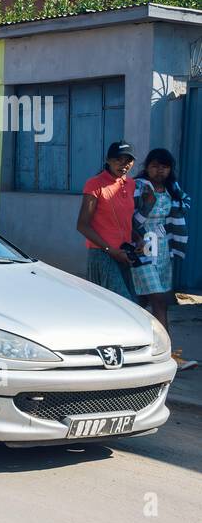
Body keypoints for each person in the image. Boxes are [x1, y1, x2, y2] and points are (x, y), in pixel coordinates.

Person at [131, 148, 194, 367]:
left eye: (164, 167)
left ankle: (149, 350)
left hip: (163, 246)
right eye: (155, 166)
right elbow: (127, 215)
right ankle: (164, 354)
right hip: (142, 244)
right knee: (158, 299)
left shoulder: (172, 188)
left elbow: (183, 204)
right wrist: (136, 238)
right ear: (147, 167)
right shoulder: (138, 186)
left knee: (144, 300)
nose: (159, 171)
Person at [77, 141, 138, 301]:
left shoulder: (130, 184)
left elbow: (127, 221)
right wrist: (110, 250)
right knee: (121, 304)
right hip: (103, 254)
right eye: (119, 159)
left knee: (129, 306)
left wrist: (139, 240)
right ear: (108, 160)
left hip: (124, 254)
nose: (124, 165)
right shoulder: (94, 184)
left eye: (128, 160)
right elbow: (82, 225)